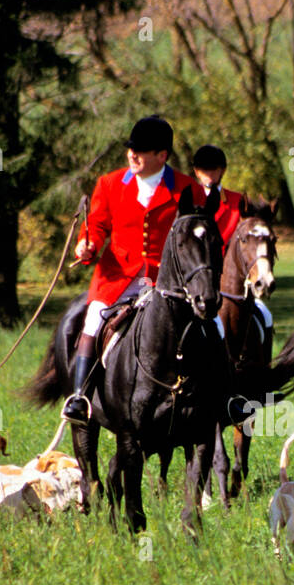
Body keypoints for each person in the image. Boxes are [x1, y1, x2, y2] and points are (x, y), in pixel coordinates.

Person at [62, 116, 194, 424]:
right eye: (131, 148)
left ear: (162, 155)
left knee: (209, 323)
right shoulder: (109, 183)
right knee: (94, 320)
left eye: (141, 150)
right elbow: (97, 225)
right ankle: (80, 397)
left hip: (167, 280)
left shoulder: (186, 188)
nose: (132, 155)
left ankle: (221, 395)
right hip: (119, 278)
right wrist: (87, 243)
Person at [188, 144, 274, 349]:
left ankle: (264, 366)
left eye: (214, 169)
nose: (209, 175)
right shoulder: (188, 201)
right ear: (196, 172)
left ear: (222, 171)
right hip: (196, 277)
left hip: (231, 278)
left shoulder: (238, 202)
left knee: (265, 315)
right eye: (204, 170)